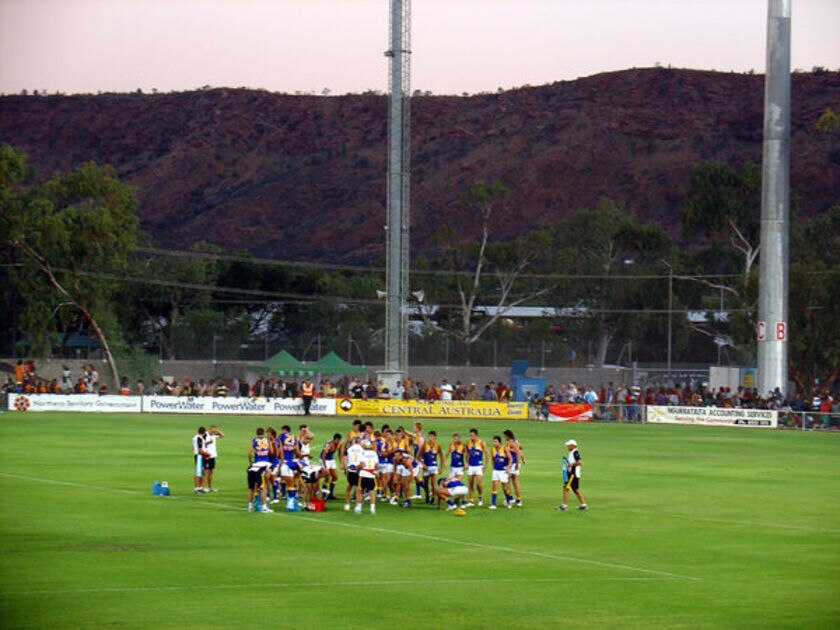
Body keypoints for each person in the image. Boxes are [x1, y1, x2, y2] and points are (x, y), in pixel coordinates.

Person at [557, 439, 588, 511]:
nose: (567, 447)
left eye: (568, 445)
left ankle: (564, 506)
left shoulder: (575, 452)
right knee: (575, 489)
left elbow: (579, 462)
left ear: (572, 446)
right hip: (573, 474)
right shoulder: (572, 452)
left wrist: (570, 464)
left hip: (573, 474)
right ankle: (584, 505)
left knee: (566, 488)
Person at [464, 428, 490, 507]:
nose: (471, 437)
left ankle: (480, 497)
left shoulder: (481, 442)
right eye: (470, 435)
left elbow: (487, 453)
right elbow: (467, 454)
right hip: (471, 466)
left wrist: (485, 465)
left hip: (478, 466)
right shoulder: (468, 442)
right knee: (470, 483)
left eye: (472, 435)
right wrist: (466, 463)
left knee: (478, 483)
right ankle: (471, 501)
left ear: (476, 435)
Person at [488, 435, 514, 510]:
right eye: (493, 441)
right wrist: (494, 467)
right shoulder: (492, 449)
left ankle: (509, 501)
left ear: (499, 442)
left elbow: (510, 458)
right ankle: (493, 504)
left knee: (505, 488)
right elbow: (492, 459)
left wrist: (508, 467)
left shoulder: (504, 448)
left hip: (503, 471)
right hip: (496, 471)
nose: (494, 443)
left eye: (495, 441)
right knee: (494, 486)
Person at [418, 431, 443, 504]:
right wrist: (423, 465)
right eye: (429, 436)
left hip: (434, 467)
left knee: (433, 484)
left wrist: (441, 467)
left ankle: (433, 498)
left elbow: (441, 456)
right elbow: (418, 456)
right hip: (426, 467)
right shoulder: (424, 445)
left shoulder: (437, 446)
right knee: (426, 484)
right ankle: (427, 494)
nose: (430, 438)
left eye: (432, 436)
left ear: (435, 437)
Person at [356, 439, 379, 514]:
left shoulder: (362, 453)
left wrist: (356, 468)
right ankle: (372, 509)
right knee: (371, 492)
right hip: (371, 475)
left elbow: (361, 465)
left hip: (363, 474)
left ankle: (358, 508)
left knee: (359, 491)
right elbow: (377, 465)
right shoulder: (374, 453)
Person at [504, 429, 525, 507]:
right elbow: (519, 450)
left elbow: (517, 451)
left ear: (508, 436)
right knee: (514, 482)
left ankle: (511, 498)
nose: (504, 437)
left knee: (508, 481)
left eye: (505, 436)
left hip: (513, 464)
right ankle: (518, 500)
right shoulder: (514, 441)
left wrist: (517, 462)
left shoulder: (511, 442)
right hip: (514, 464)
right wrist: (523, 458)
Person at [320, 433, 342, 499]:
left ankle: (330, 494)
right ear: (334, 439)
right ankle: (324, 494)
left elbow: (339, 453)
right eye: (337, 440)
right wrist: (325, 467)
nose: (338, 441)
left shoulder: (339, 444)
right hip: (324, 459)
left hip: (331, 459)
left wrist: (341, 462)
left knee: (335, 477)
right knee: (327, 477)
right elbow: (323, 456)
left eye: (339, 440)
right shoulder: (329, 444)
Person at [343, 437, 363, 511]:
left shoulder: (348, 448)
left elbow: (344, 459)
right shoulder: (362, 449)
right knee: (358, 488)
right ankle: (357, 505)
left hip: (351, 469)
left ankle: (347, 504)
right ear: (359, 442)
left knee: (349, 487)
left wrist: (345, 468)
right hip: (359, 470)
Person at [202, 425, 224, 492]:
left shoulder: (214, 435)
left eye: (214, 431)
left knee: (211, 472)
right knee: (205, 472)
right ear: (209, 429)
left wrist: (217, 431)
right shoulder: (205, 435)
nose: (213, 432)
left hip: (213, 456)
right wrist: (209, 442)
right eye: (212, 431)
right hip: (206, 456)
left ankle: (209, 487)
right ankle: (203, 487)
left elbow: (222, 435)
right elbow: (201, 444)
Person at [192, 427, 210, 494]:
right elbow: (200, 450)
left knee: (202, 472)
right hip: (200, 456)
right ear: (204, 432)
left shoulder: (195, 437)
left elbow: (193, 447)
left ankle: (200, 488)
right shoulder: (199, 438)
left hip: (199, 456)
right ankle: (197, 488)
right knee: (198, 472)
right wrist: (207, 454)